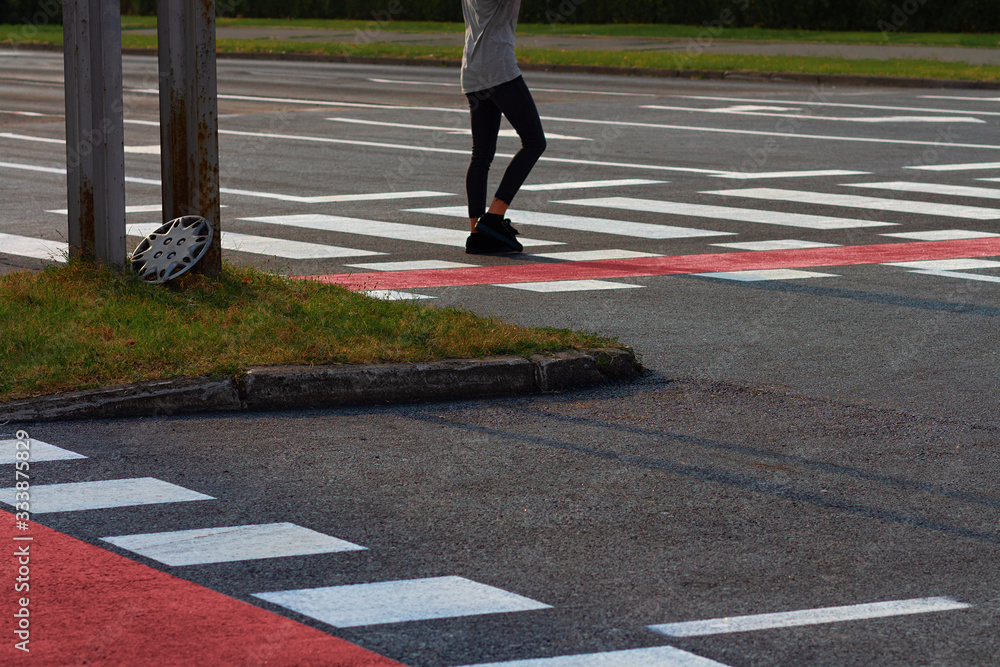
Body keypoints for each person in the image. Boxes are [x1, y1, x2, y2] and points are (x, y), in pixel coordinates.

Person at [461, 0, 546, 255]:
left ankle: (478, 233)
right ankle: (494, 217)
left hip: (473, 71)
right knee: (534, 142)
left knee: (481, 155)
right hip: (499, 70)